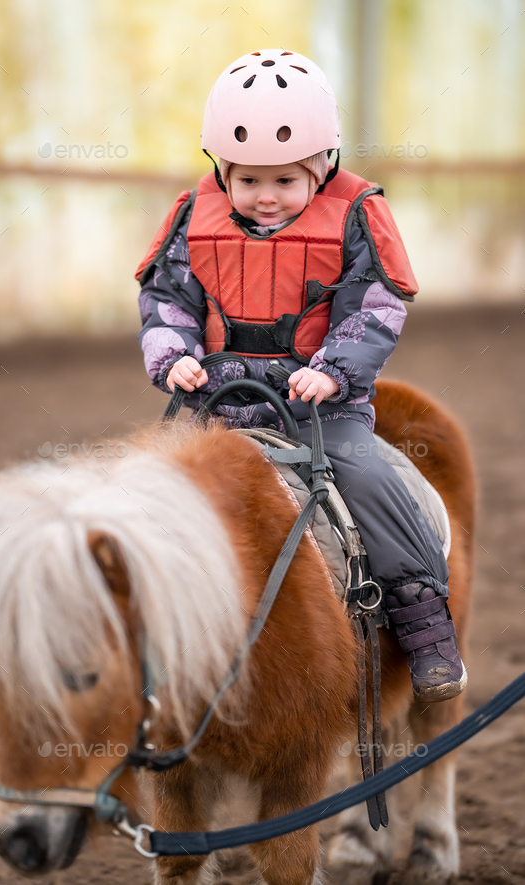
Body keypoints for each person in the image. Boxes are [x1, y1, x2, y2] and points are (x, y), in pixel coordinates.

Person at [135, 49, 466, 703]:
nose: (265, 196)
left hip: (321, 409)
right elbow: (165, 299)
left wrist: (334, 370)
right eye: (248, 179)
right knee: (147, 493)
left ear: (323, 166)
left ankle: (424, 622)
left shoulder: (355, 215)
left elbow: (375, 305)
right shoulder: (190, 219)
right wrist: (175, 357)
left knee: (369, 475)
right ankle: (146, 642)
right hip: (220, 406)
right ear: (221, 170)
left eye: (285, 180)